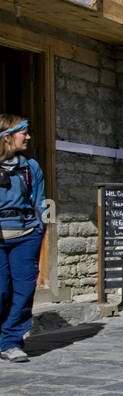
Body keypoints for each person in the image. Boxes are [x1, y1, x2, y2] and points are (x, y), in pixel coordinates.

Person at [0, 116, 45, 362]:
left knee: (24, 290)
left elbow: (40, 201)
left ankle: (10, 341)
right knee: (1, 291)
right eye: (23, 133)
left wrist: (39, 229)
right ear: (7, 137)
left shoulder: (31, 167)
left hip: (26, 235)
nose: (28, 137)